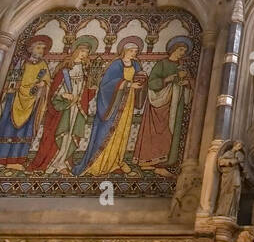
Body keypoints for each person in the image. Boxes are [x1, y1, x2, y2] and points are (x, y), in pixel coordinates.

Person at [74, 36, 146, 177]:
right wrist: (129, 84)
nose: (135, 53)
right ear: (125, 50)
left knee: (123, 131)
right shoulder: (116, 64)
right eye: (133, 50)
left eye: (136, 51)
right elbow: (106, 85)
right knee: (107, 131)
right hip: (112, 104)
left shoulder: (136, 64)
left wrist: (142, 79)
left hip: (128, 102)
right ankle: (99, 163)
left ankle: (117, 161)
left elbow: (140, 77)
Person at [29, 36, 97, 174]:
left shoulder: (85, 70)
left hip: (76, 108)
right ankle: (46, 164)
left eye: (87, 52)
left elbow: (87, 91)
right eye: (82, 50)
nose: (84, 54)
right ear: (76, 51)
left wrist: (92, 88)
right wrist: (63, 95)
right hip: (62, 108)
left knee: (70, 134)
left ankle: (63, 164)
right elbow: (54, 88)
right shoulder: (65, 68)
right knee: (55, 133)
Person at [0, 34, 52, 172]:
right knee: (6, 129)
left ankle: (15, 161)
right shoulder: (21, 63)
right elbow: (11, 81)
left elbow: (47, 82)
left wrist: (43, 84)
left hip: (32, 102)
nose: (41, 50)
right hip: (15, 100)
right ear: (31, 48)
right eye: (38, 47)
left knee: (24, 131)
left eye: (43, 48)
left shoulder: (43, 65)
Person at [133, 36, 193, 173]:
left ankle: (168, 160)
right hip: (158, 105)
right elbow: (152, 83)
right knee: (154, 132)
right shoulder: (162, 64)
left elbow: (192, 83)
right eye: (181, 49)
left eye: (184, 51)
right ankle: (148, 160)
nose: (182, 53)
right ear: (174, 49)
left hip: (176, 104)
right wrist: (167, 79)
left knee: (172, 132)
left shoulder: (183, 66)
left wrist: (187, 82)